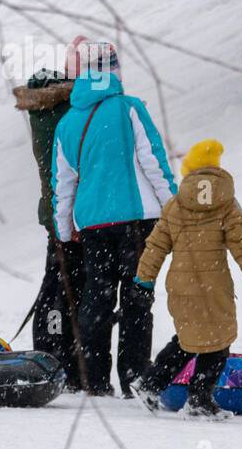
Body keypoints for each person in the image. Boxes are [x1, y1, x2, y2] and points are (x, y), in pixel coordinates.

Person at [51, 40, 175, 396]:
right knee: (138, 298)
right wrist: (174, 208)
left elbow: (63, 183)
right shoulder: (130, 109)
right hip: (137, 222)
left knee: (97, 298)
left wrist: (64, 229)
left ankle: (94, 380)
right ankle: (135, 378)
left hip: (92, 226)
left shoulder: (67, 124)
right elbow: (153, 162)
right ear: (114, 70)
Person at [130, 139, 242, 419]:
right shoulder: (227, 204)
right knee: (218, 342)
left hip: (180, 286)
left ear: (190, 170)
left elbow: (155, 246)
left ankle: (151, 384)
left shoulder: (176, 205)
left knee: (187, 338)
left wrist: (143, 281)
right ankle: (199, 400)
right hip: (214, 285)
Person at [12, 42, 84, 389]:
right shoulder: (62, 112)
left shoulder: (39, 112)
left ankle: (51, 349)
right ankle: (62, 355)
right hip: (67, 216)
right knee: (64, 290)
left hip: (54, 214)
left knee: (55, 287)